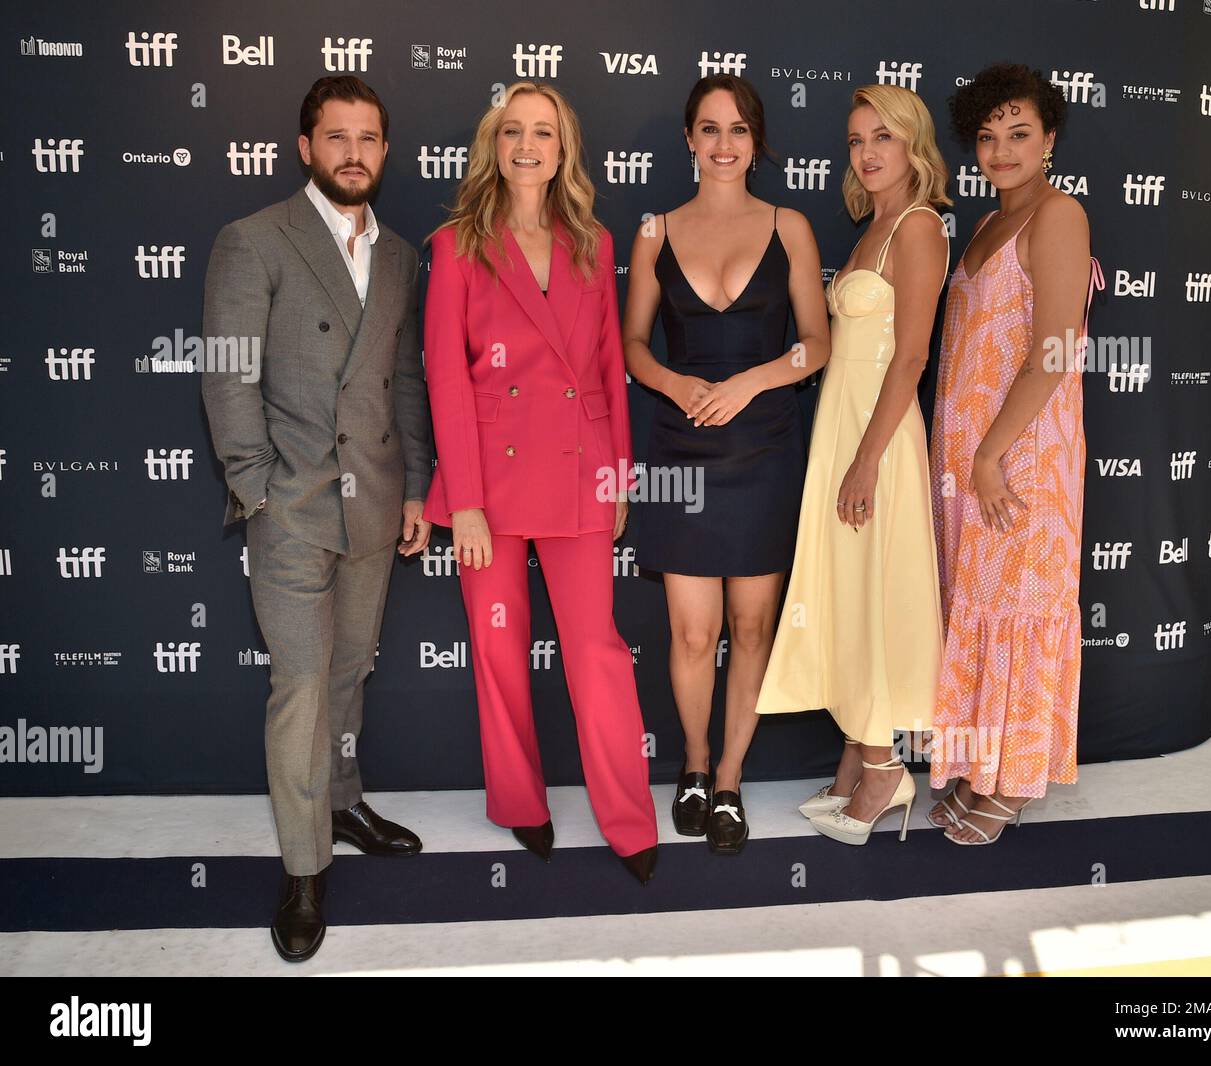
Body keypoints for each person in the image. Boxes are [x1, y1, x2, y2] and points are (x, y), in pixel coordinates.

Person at [201, 76, 433, 962]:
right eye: (336, 138)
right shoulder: (253, 240)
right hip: (291, 505)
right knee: (300, 687)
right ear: (306, 148)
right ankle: (303, 869)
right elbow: (226, 372)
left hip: (373, 502)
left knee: (347, 673)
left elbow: (404, 380)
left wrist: (413, 485)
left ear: (384, 151)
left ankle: (339, 800)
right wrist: (256, 486)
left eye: (369, 139)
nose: (353, 154)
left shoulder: (404, 256)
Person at [423, 81, 658, 884]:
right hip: (489, 478)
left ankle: (629, 820)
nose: (529, 146)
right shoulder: (456, 245)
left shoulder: (592, 242)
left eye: (545, 133)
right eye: (514, 131)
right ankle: (520, 803)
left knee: (597, 650)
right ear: (494, 144)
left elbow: (604, 373)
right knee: (497, 647)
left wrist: (620, 478)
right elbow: (448, 383)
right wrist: (466, 503)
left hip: (580, 473)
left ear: (565, 150)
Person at [623, 75, 830, 854]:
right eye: (708, 128)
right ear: (688, 140)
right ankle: (696, 766)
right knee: (688, 632)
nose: (722, 143)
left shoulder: (792, 228)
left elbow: (819, 340)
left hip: (767, 444)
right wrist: (677, 382)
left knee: (752, 627)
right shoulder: (654, 232)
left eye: (738, 129)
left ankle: (734, 781)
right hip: (683, 449)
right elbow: (633, 346)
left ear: (757, 142)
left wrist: (754, 379)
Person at [755, 84, 951, 846]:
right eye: (855, 140)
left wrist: (867, 462)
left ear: (913, 146)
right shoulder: (868, 228)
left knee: (872, 592)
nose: (867, 153)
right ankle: (854, 764)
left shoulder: (919, 227)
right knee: (849, 592)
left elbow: (910, 358)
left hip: (881, 436)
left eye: (883, 138)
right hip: (843, 426)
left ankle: (885, 771)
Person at [926, 64, 1094, 845]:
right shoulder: (985, 224)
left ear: (1049, 137)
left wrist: (991, 456)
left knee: (1018, 611)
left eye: (1018, 133)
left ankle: (1015, 781)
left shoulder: (1058, 216)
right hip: (969, 454)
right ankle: (973, 766)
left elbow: (1056, 347)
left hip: (1020, 456)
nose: (1002, 150)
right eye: (988, 138)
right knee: (976, 607)